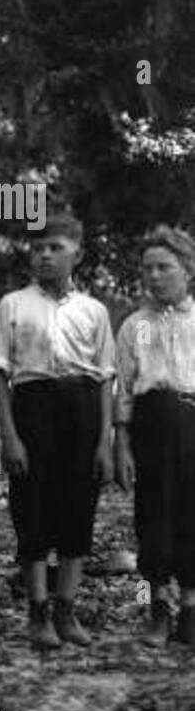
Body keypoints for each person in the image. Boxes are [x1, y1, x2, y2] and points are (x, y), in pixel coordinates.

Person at [0, 215, 115, 648]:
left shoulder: (93, 310)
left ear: (77, 254)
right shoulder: (13, 304)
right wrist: (9, 434)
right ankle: (37, 612)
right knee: (32, 508)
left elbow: (104, 379)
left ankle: (66, 609)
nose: (44, 254)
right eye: (38, 247)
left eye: (55, 247)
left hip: (81, 411)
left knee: (78, 509)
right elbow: (1, 374)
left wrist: (104, 440)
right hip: (32, 407)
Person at [114, 225, 195, 646]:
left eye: (165, 267)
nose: (155, 276)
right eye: (148, 268)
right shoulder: (133, 327)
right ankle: (159, 610)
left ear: (188, 270)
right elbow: (124, 390)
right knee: (155, 515)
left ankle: (191, 611)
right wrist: (122, 444)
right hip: (152, 424)